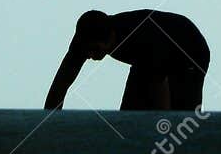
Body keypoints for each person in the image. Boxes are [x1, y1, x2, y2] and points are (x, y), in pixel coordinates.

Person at [43, 9, 210, 112]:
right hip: (159, 50)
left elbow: (154, 82)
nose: (91, 56)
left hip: (190, 48)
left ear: (112, 37)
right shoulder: (81, 44)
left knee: (181, 117)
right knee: (138, 109)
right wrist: (50, 125)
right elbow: (60, 85)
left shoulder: (138, 39)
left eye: (97, 50)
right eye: (88, 52)